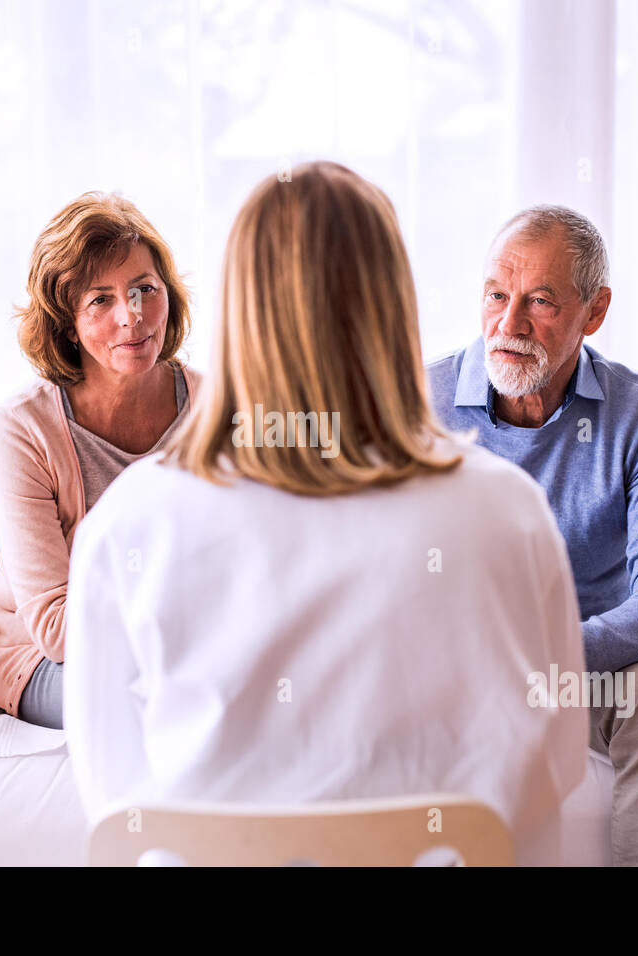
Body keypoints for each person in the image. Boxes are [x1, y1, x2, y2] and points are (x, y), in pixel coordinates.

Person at [63, 162, 588, 863]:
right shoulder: (508, 512)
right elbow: (554, 768)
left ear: (236, 312)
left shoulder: (132, 522)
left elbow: (114, 797)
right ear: (392, 306)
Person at [425, 204, 638, 866]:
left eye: (541, 302)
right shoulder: (417, 402)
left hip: (589, 667)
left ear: (595, 311)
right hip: (461, 669)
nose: (509, 324)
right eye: (497, 295)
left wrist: (546, 654)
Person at [0, 191, 201, 730]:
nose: (134, 316)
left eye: (146, 289)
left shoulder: (217, 407)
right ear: (66, 322)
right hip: (48, 661)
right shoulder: (21, 428)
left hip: (194, 643)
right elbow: (56, 627)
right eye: (101, 300)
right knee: (176, 704)